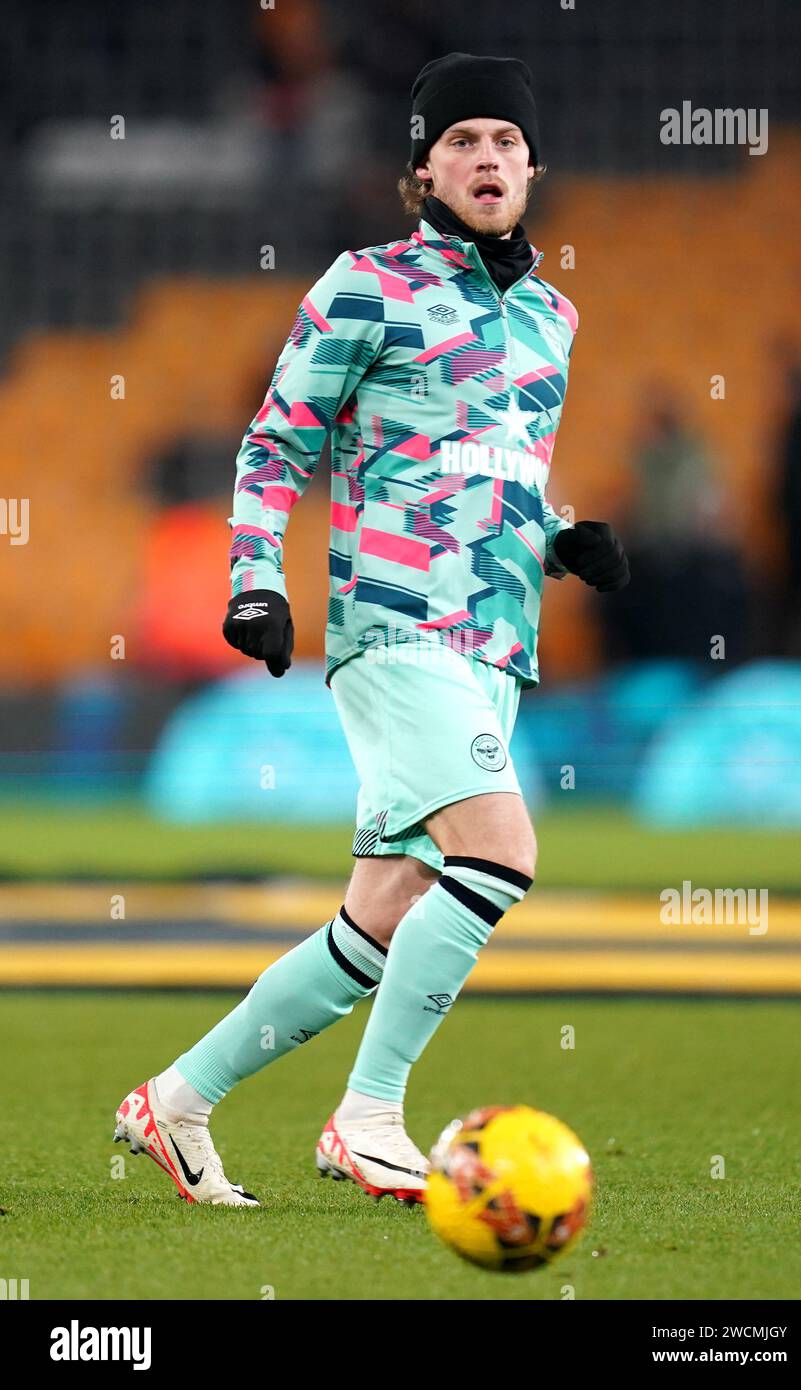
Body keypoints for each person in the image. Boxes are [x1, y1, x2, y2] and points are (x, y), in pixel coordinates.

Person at [114, 52, 629, 1207]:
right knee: (501, 851)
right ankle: (369, 1115)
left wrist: (560, 535)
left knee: (383, 911)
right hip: (397, 629)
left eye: (505, 140)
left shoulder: (554, 316)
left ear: (533, 164)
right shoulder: (368, 286)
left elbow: (488, 468)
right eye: (462, 141)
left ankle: (178, 1099)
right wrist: (254, 578)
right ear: (423, 166)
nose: (486, 158)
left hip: (495, 644)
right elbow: (275, 442)